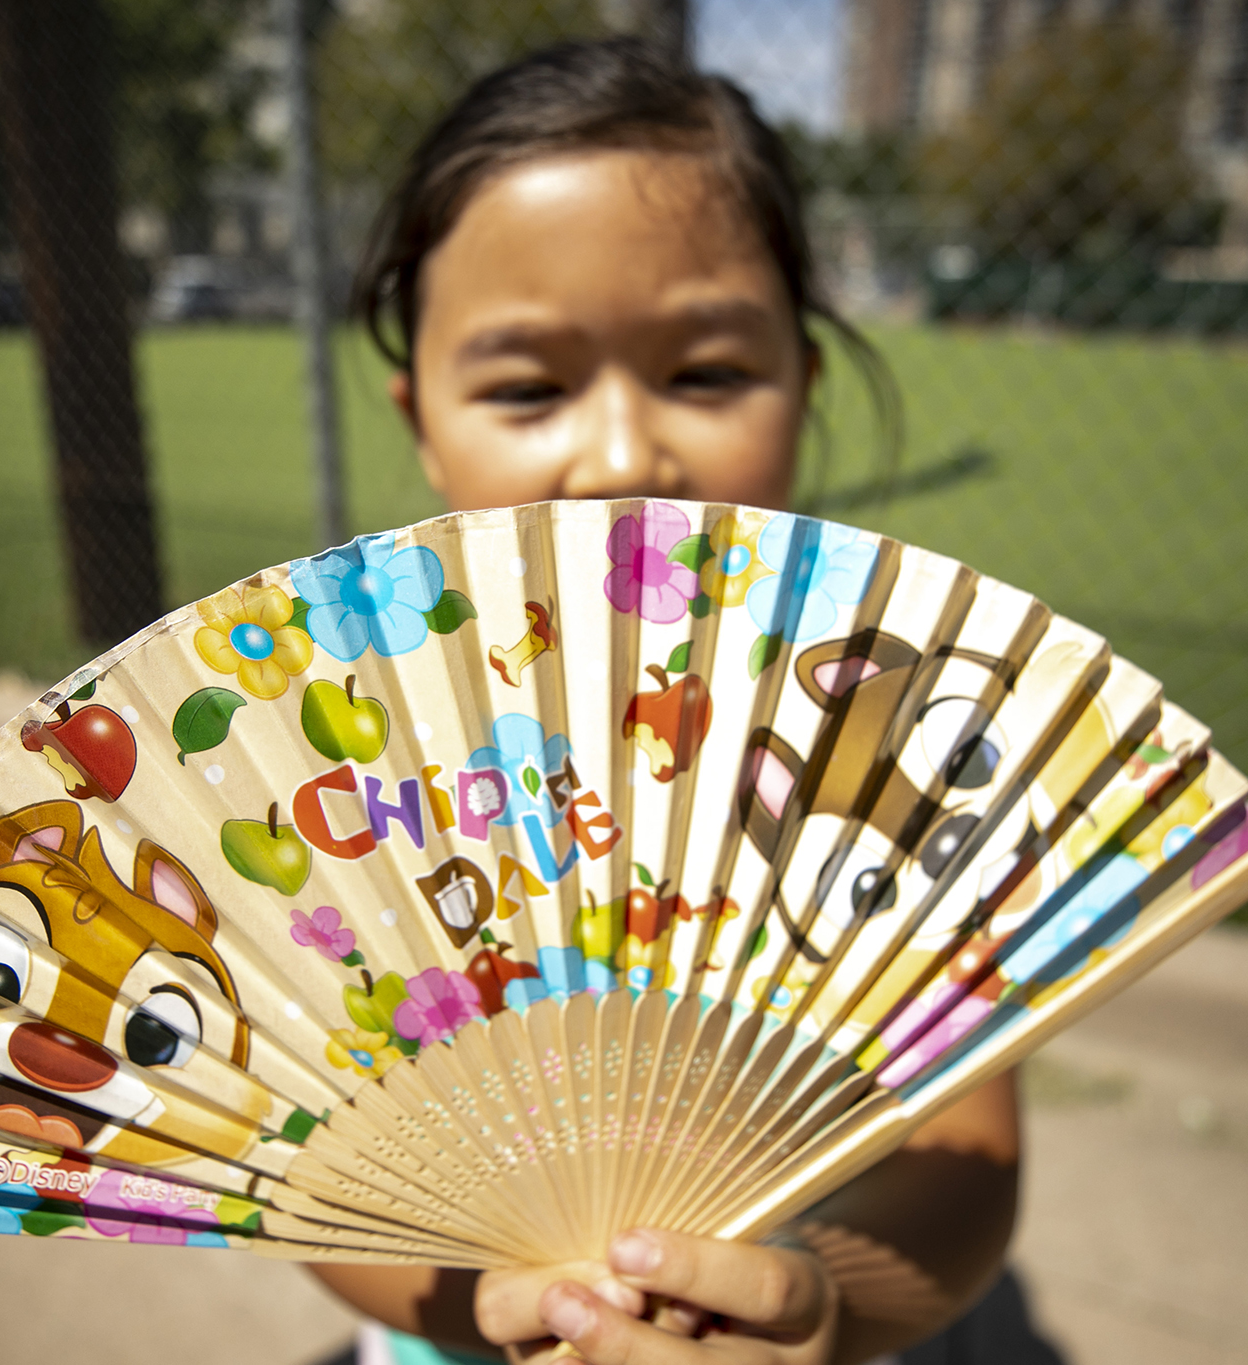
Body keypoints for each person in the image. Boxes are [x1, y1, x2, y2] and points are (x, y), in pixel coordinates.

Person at [310, 38, 1041, 1365]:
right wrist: (486, 1309)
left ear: (804, 382)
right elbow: (293, 1171)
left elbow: (971, 1155)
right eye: (528, 389)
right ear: (422, 418)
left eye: (703, 374)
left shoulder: (881, 739)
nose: (620, 457)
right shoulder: (351, 746)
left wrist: (822, 1299)